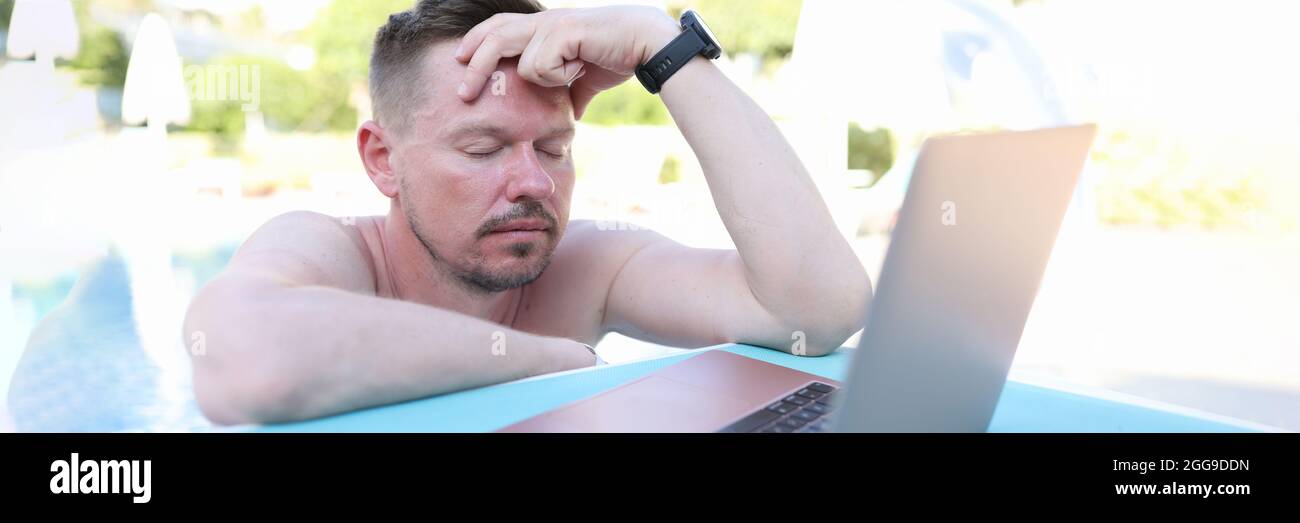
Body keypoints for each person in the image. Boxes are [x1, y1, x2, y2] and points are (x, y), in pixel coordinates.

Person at [183, 0, 871, 424]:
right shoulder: (329, 249)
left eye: (554, 146)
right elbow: (242, 353)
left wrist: (662, 46)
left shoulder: (589, 265)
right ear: (382, 160)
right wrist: (549, 359)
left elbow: (815, 311)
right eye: (482, 148)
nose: (533, 182)